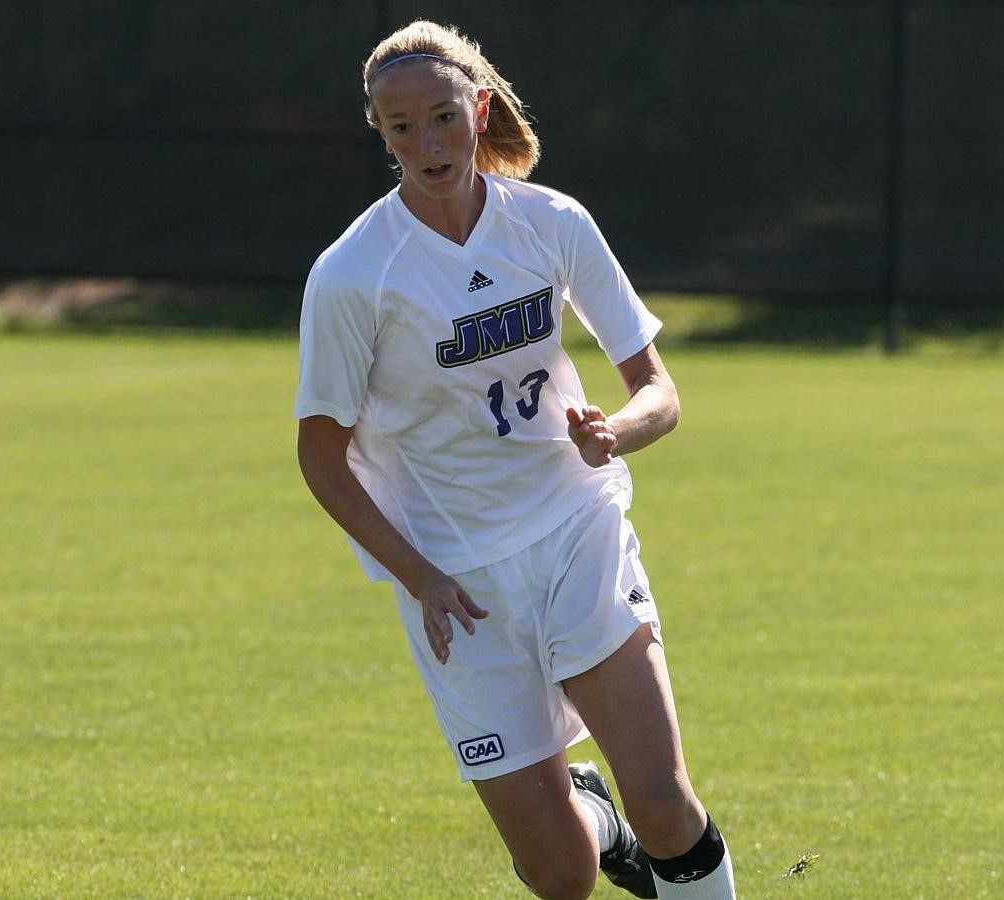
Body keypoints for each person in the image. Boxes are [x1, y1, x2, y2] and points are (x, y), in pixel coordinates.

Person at [294, 19, 738, 900]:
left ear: (479, 107)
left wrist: (618, 429)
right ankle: (593, 820)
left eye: (444, 117)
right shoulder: (353, 274)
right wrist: (420, 578)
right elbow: (320, 460)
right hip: (460, 580)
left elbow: (659, 388)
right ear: (379, 133)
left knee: (663, 802)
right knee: (560, 873)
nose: (428, 143)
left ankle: (631, 822)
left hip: (578, 530)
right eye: (401, 126)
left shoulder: (550, 222)